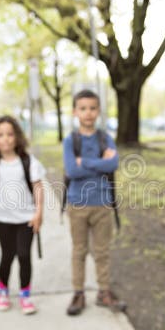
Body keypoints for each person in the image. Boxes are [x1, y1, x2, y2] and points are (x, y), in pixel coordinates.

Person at [63, 89, 125, 316]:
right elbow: (71, 170)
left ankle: (104, 291)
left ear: (98, 111)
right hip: (77, 205)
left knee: (102, 251)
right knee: (79, 250)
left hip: (102, 203)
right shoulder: (71, 140)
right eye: (83, 108)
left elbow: (113, 165)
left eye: (92, 108)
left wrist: (85, 162)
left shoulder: (104, 138)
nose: (88, 113)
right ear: (75, 112)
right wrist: (99, 162)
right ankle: (78, 293)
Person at [0, 115, 45, 314]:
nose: (5, 139)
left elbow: (38, 187)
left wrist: (39, 212)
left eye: (9, 134)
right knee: (7, 256)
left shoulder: (27, 161)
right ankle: (3, 292)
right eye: (0, 135)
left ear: (17, 137)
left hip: (26, 218)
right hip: (3, 218)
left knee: (24, 256)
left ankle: (25, 294)